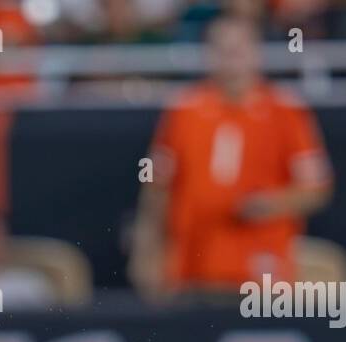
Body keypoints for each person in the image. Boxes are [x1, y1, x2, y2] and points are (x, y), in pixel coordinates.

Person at [129, 15, 333, 299]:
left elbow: (317, 189)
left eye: (238, 50)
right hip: (192, 263)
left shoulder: (285, 110)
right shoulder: (184, 109)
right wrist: (148, 251)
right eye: (222, 51)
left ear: (256, 53)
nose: (231, 61)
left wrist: (271, 203)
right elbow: (155, 185)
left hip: (260, 265)